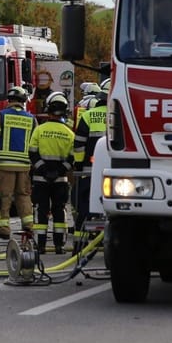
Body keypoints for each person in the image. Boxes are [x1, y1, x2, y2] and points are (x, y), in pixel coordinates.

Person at [0, 86, 37, 239]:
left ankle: (3, 229)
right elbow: (34, 143)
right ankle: (28, 227)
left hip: (4, 165)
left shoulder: (0, 116)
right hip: (24, 165)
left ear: (9, 100)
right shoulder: (31, 119)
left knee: (4, 197)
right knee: (23, 195)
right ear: (23, 101)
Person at [29, 92, 74, 254]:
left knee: (41, 211)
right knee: (59, 211)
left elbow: (32, 153)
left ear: (48, 111)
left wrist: (43, 170)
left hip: (40, 179)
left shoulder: (39, 130)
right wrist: (59, 171)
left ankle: (40, 245)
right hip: (60, 180)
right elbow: (72, 158)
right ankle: (59, 246)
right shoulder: (69, 133)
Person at [73, 78, 109, 238]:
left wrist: (79, 164)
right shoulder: (123, 115)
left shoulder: (88, 116)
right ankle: (103, 238)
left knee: (85, 206)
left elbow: (79, 144)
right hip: (117, 172)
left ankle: (79, 241)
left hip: (89, 170)